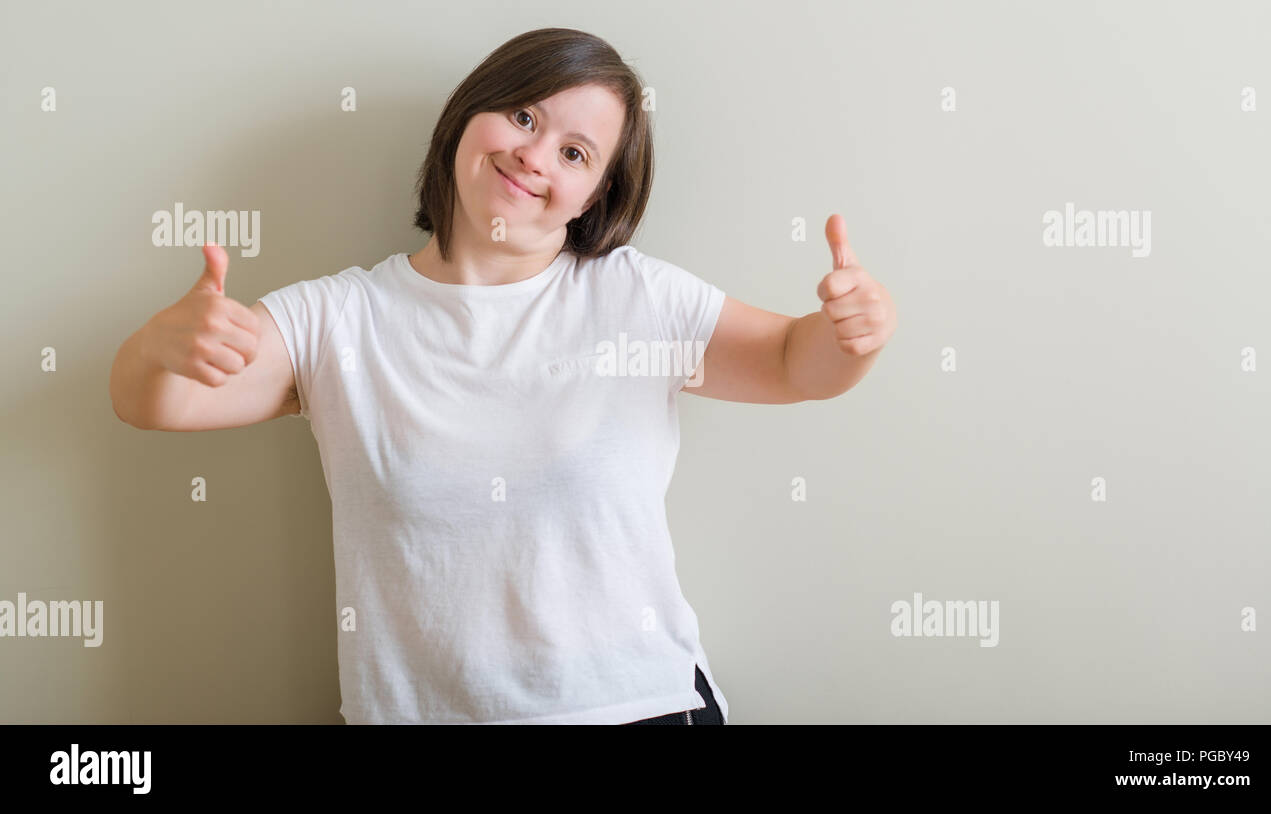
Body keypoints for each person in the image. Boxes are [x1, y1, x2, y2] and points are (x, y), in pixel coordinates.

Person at [108, 27, 897, 725]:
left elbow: (798, 363)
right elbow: (160, 404)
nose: (534, 154)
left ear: (596, 196)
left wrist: (851, 334)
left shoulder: (636, 298)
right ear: (470, 113)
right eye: (524, 116)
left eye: (575, 153)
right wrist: (159, 348)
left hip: (637, 707)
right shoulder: (337, 318)